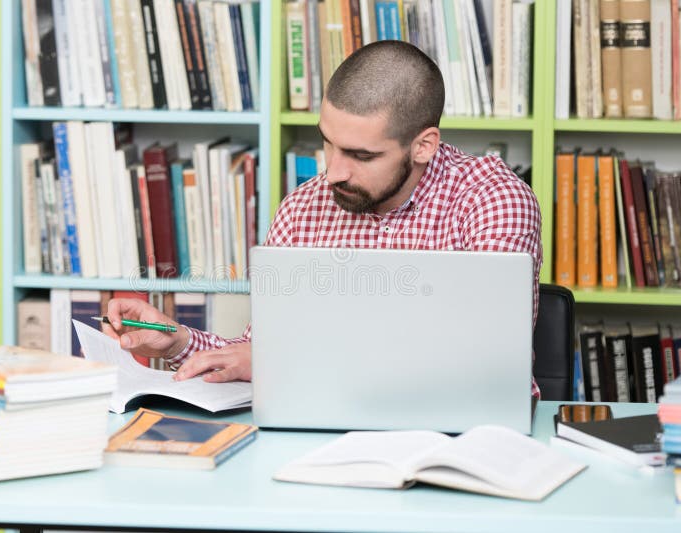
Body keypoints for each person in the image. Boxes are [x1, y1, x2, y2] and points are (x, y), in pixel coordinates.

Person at [102, 40, 543, 392]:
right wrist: (178, 340)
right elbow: (261, 349)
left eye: (361, 155)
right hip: (325, 434)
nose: (332, 172)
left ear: (423, 146)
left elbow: (480, 358)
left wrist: (285, 361)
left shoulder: (492, 200)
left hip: (463, 436)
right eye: (329, 142)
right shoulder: (303, 207)